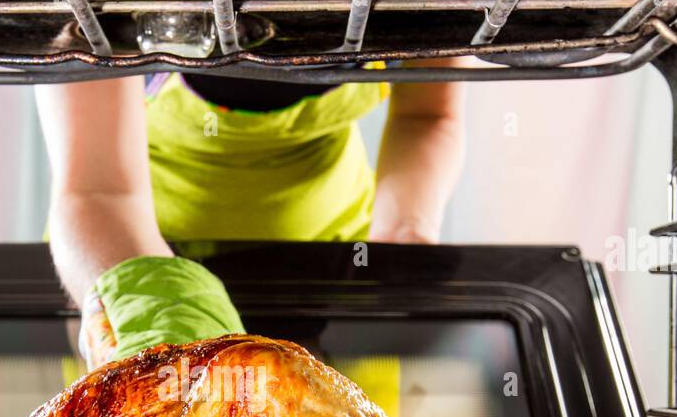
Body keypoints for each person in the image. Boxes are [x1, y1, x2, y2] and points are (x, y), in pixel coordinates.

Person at [34, 65, 465, 369]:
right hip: (131, 256)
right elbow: (97, 191)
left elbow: (426, 114)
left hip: (336, 258)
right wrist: (156, 333)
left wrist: (402, 238)